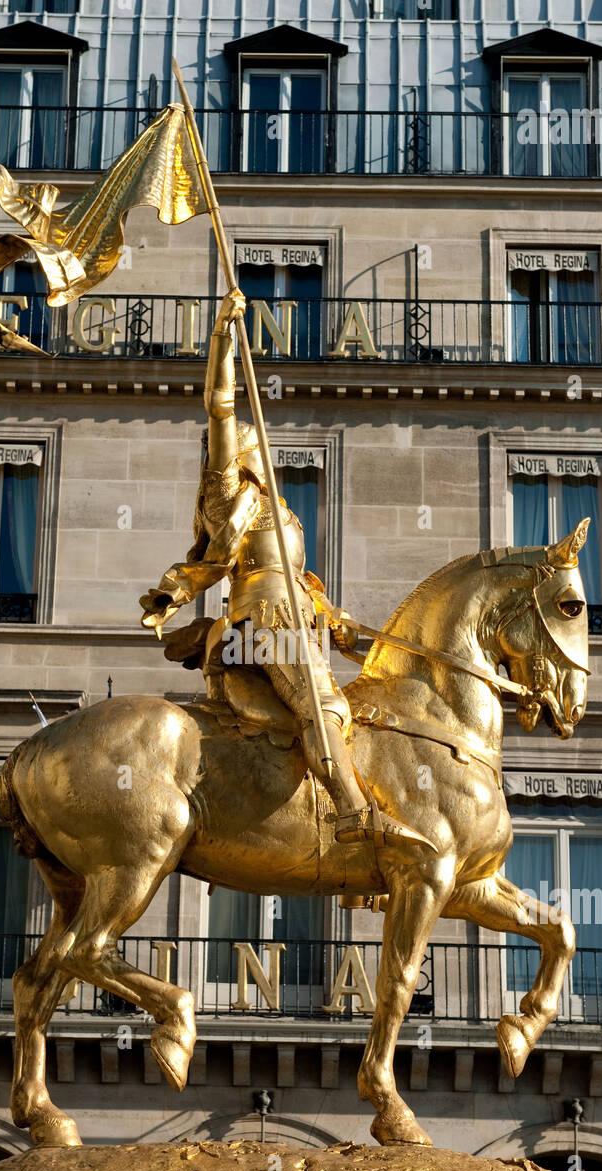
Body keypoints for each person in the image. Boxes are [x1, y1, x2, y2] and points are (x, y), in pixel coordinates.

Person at [140, 289, 425, 846]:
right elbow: (221, 407)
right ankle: (351, 811)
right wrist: (223, 337)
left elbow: (297, 583)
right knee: (319, 701)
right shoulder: (228, 496)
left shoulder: (282, 512)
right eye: (245, 449)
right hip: (260, 623)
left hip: (293, 617)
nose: (248, 454)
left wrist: (333, 616)